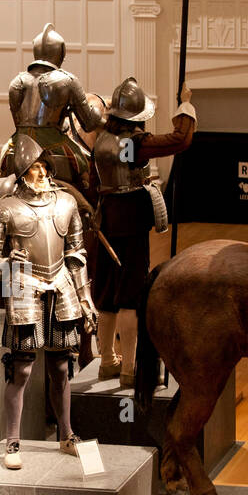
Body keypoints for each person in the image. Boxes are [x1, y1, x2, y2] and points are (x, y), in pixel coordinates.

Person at [0, 135, 97, 470]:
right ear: (20, 172)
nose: (42, 173)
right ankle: (13, 440)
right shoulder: (5, 208)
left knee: (62, 367)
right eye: (34, 168)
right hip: (23, 285)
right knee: (21, 369)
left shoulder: (66, 203)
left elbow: (76, 253)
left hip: (62, 285)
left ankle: (66, 435)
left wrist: (85, 297)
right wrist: (8, 264)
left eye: (44, 167)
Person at [91, 78, 198, 386]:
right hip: (131, 220)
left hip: (106, 216)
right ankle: (129, 370)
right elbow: (180, 140)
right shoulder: (133, 144)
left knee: (107, 294)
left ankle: (108, 361)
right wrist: (185, 104)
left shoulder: (102, 138)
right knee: (130, 295)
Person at [3, 22, 103, 201]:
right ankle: (85, 213)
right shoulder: (67, 80)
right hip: (52, 143)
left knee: (4, 159)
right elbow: (88, 124)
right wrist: (96, 111)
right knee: (83, 167)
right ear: (60, 53)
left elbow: (17, 121)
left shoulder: (17, 81)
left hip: (19, 144)